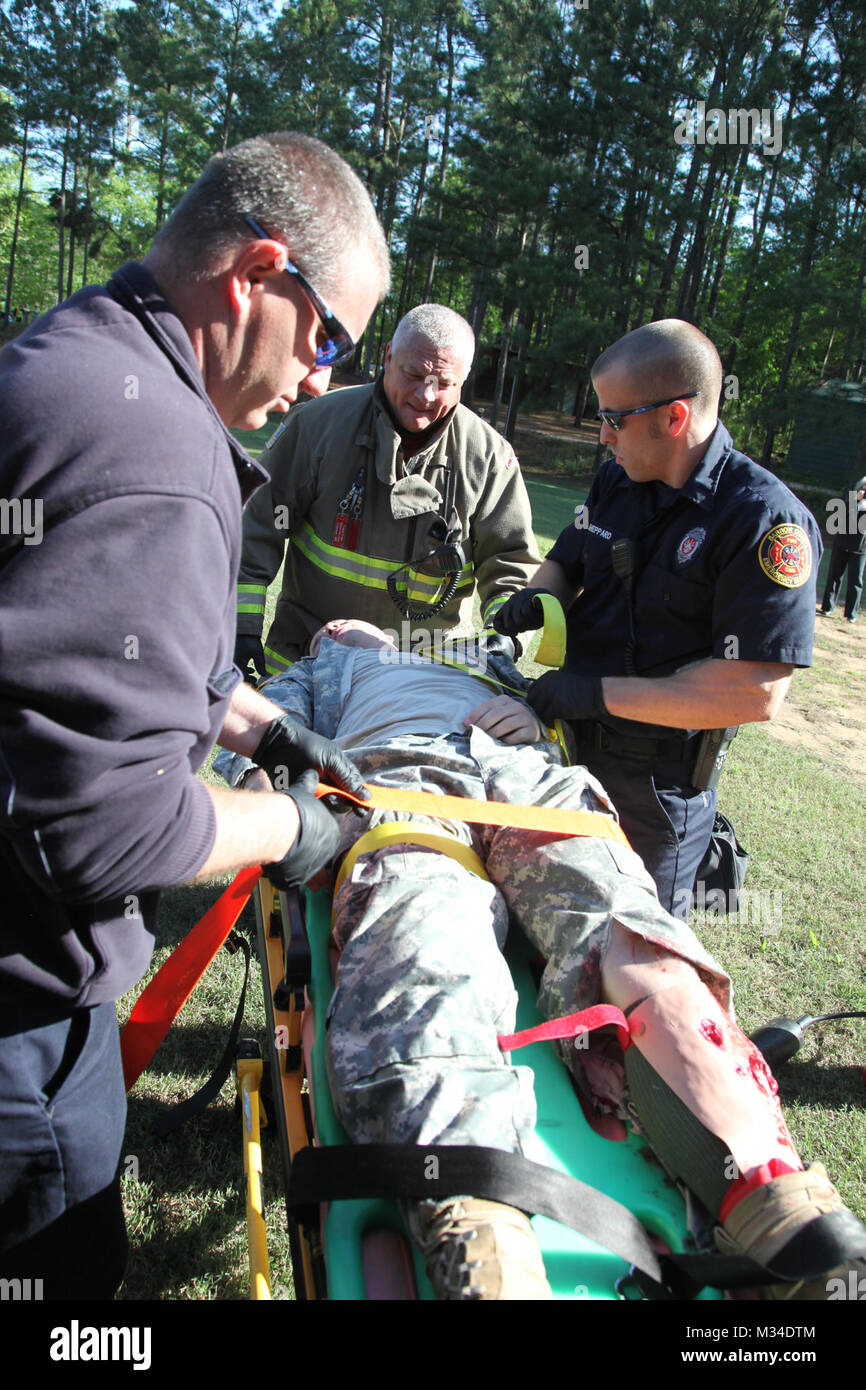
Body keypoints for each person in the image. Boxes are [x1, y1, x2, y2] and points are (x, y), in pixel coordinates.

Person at [0, 132, 391, 1299]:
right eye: (328, 335)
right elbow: (100, 831)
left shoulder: (68, 358)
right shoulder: (160, 456)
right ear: (256, 273)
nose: (323, 376)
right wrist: (280, 826)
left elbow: (69, 646)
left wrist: (257, 726)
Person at [217, 619, 866, 1302]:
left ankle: (786, 1220)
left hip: (530, 778)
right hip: (394, 781)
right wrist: (271, 805)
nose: (337, 626)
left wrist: (533, 709)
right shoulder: (321, 673)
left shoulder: (476, 654)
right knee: (425, 945)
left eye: (347, 623)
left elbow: (565, 703)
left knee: (636, 938)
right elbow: (258, 743)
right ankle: (488, 1253)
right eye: (329, 630)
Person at [493, 319, 823, 917]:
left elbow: (755, 692)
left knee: (632, 951)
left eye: (614, 418)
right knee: (544, 919)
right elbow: (570, 559)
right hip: (568, 750)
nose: (602, 435)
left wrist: (595, 693)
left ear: (673, 418)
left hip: (654, 789)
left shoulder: (763, 522)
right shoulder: (622, 477)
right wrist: (538, 596)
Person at [234, 303, 540, 679]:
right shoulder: (318, 426)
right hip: (306, 669)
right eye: (414, 374)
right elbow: (254, 529)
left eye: (444, 383)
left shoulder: (489, 457)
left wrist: (505, 634)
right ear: (388, 355)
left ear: (465, 378)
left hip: (419, 685)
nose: (426, 395)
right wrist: (240, 625)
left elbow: (511, 565)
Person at [818, 475, 866, 624]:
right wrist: (856, 502)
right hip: (842, 543)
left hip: (860, 547)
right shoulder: (850, 499)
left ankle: (851, 614)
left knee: (855, 580)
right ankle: (827, 606)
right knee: (834, 575)